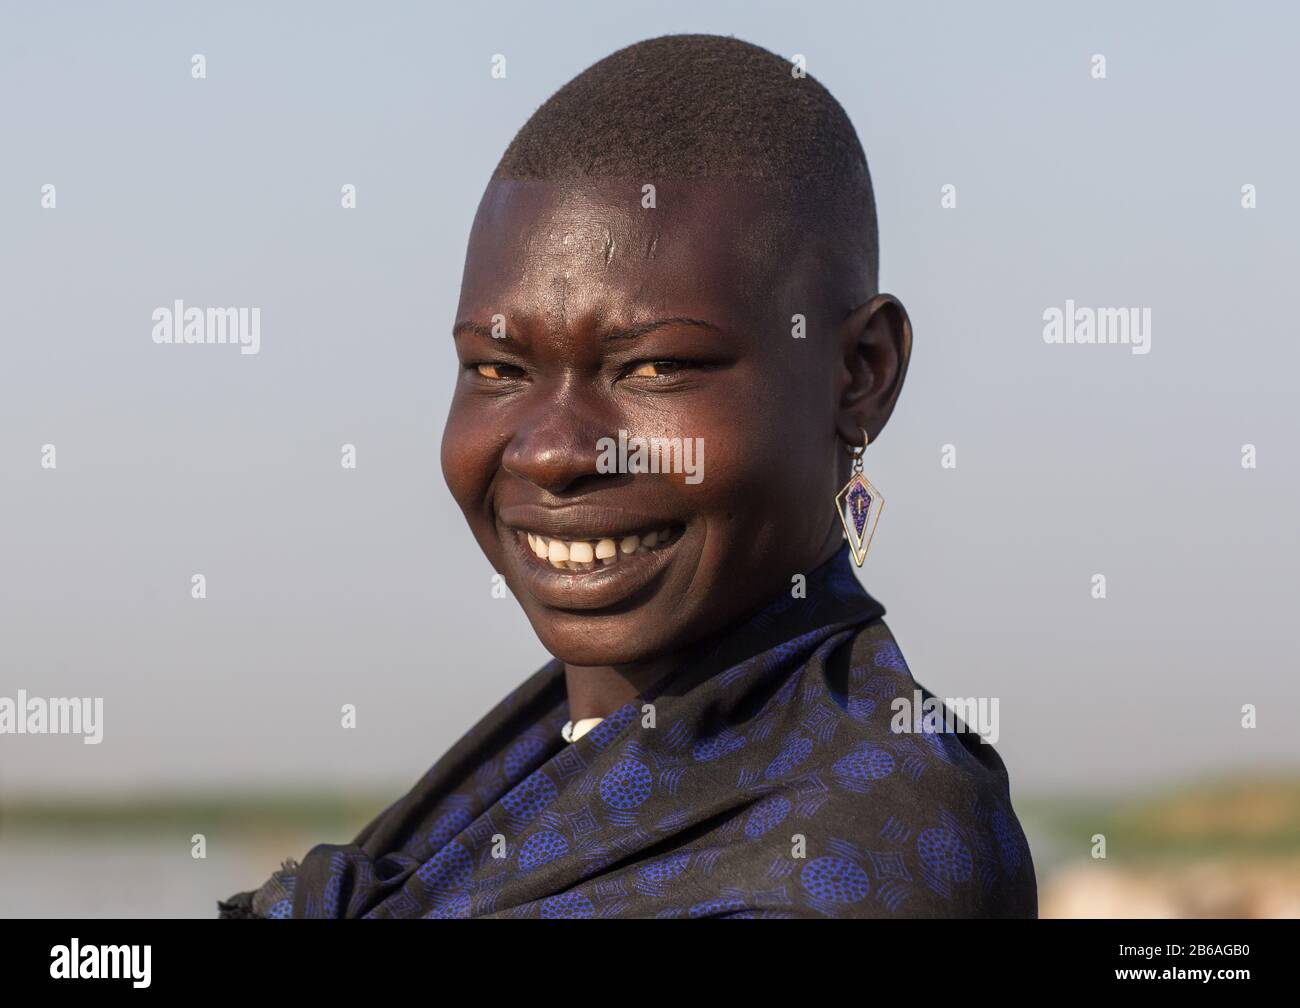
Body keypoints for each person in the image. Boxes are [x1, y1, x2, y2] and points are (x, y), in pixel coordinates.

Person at [219, 33, 1036, 919]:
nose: (552, 452)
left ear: (860, 372)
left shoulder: (870, 853)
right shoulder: (519, 784)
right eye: (497, 370)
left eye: (654, 367)